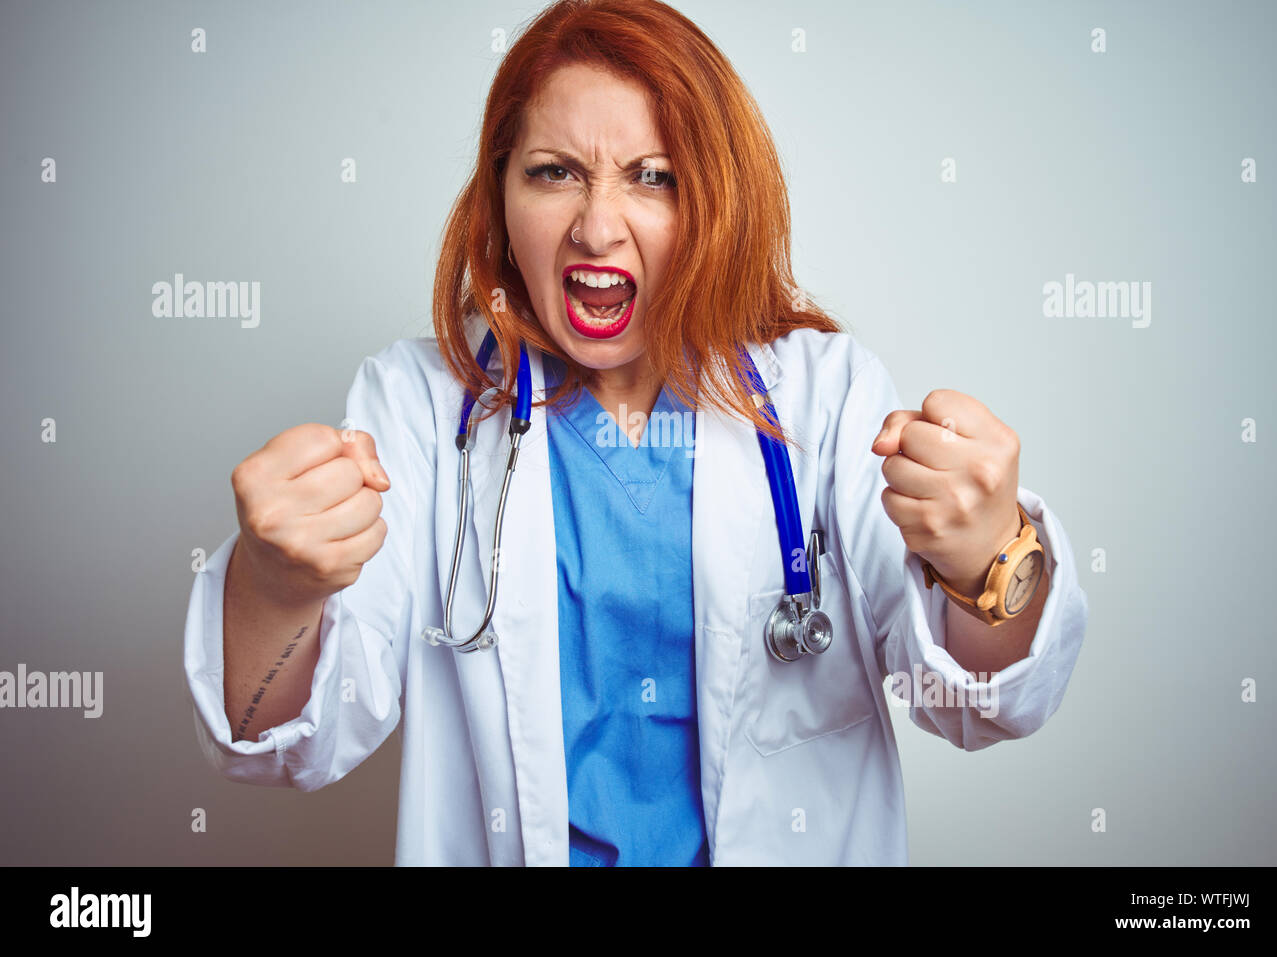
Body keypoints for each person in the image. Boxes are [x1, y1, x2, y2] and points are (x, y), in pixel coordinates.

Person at [183, 0, 1087, 866]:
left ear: (716, 204)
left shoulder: (825, 398)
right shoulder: (418, 407)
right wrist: (275, 587)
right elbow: (280, 744)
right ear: (500, 198)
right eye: (553, 172)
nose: (596, 226)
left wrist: (990, 563)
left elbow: (983, 705)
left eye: (654, 178)